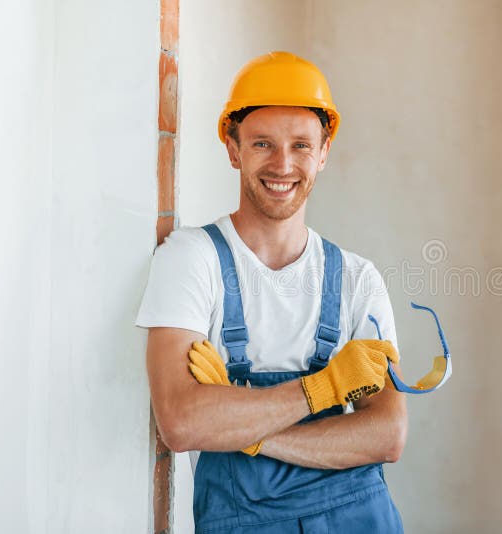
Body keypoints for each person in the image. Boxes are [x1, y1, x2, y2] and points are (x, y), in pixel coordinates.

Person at [136, 51, 407, 533]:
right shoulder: (190, 259)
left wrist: (248, 432)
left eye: (301, 145)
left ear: (324, 153)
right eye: (263, 143)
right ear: (233, 148)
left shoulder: (357, 278)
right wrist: (324, 389)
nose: (283, 164)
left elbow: (386, 434)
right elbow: (181, 422)